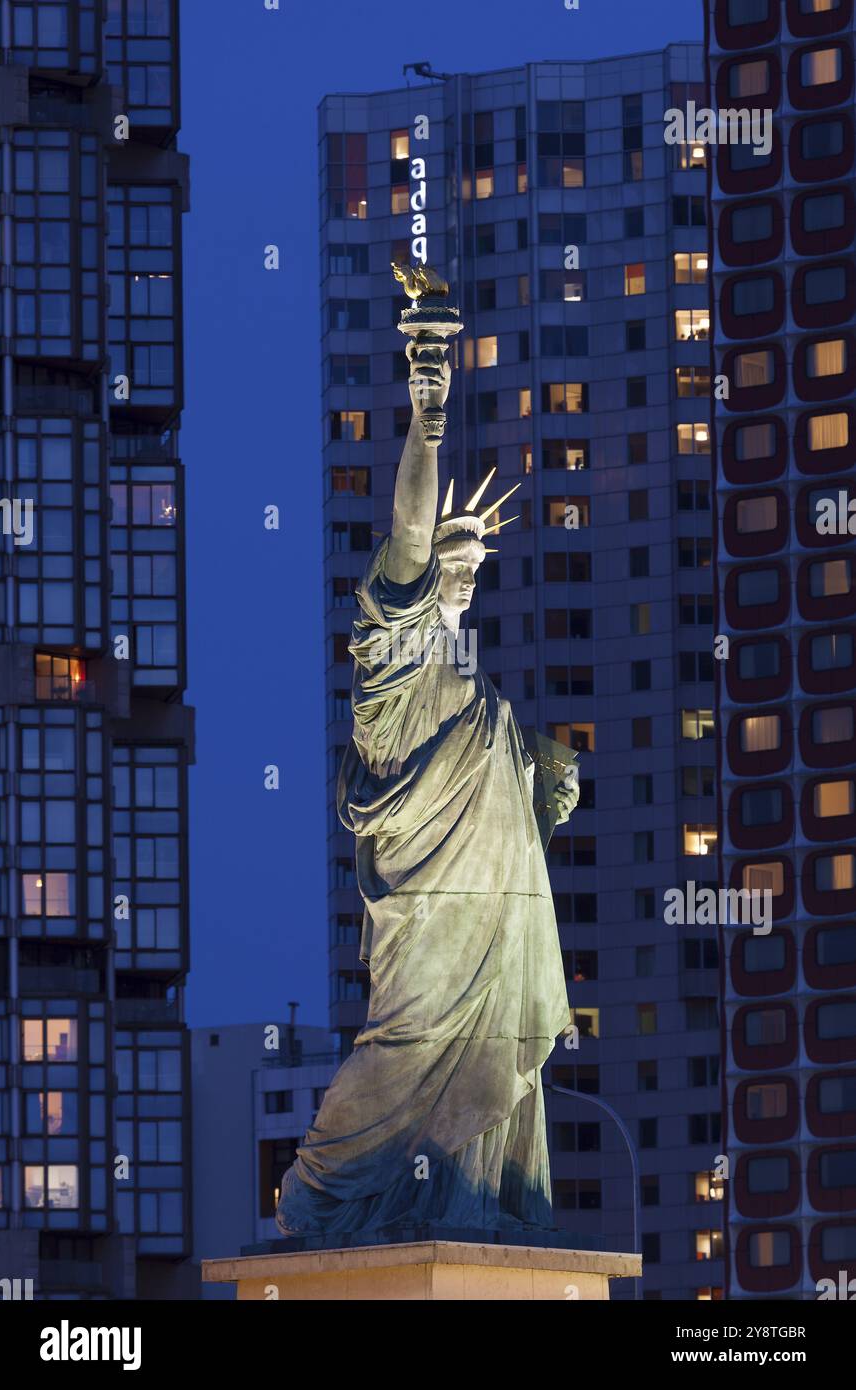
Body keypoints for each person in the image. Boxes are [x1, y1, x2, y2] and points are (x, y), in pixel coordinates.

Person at [276, 309, 578, 1240]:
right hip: (424, 926)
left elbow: (508, 814)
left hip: (491, 922)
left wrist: (542, 798)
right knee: (400, 1047)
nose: (464, 580)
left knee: (488, 1062)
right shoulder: (391, 658)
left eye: (475, 569)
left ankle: (468, 1204)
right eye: (455, 563)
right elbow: (411, 525)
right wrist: (429, 412)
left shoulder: (474, 688)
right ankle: (332, 1191)